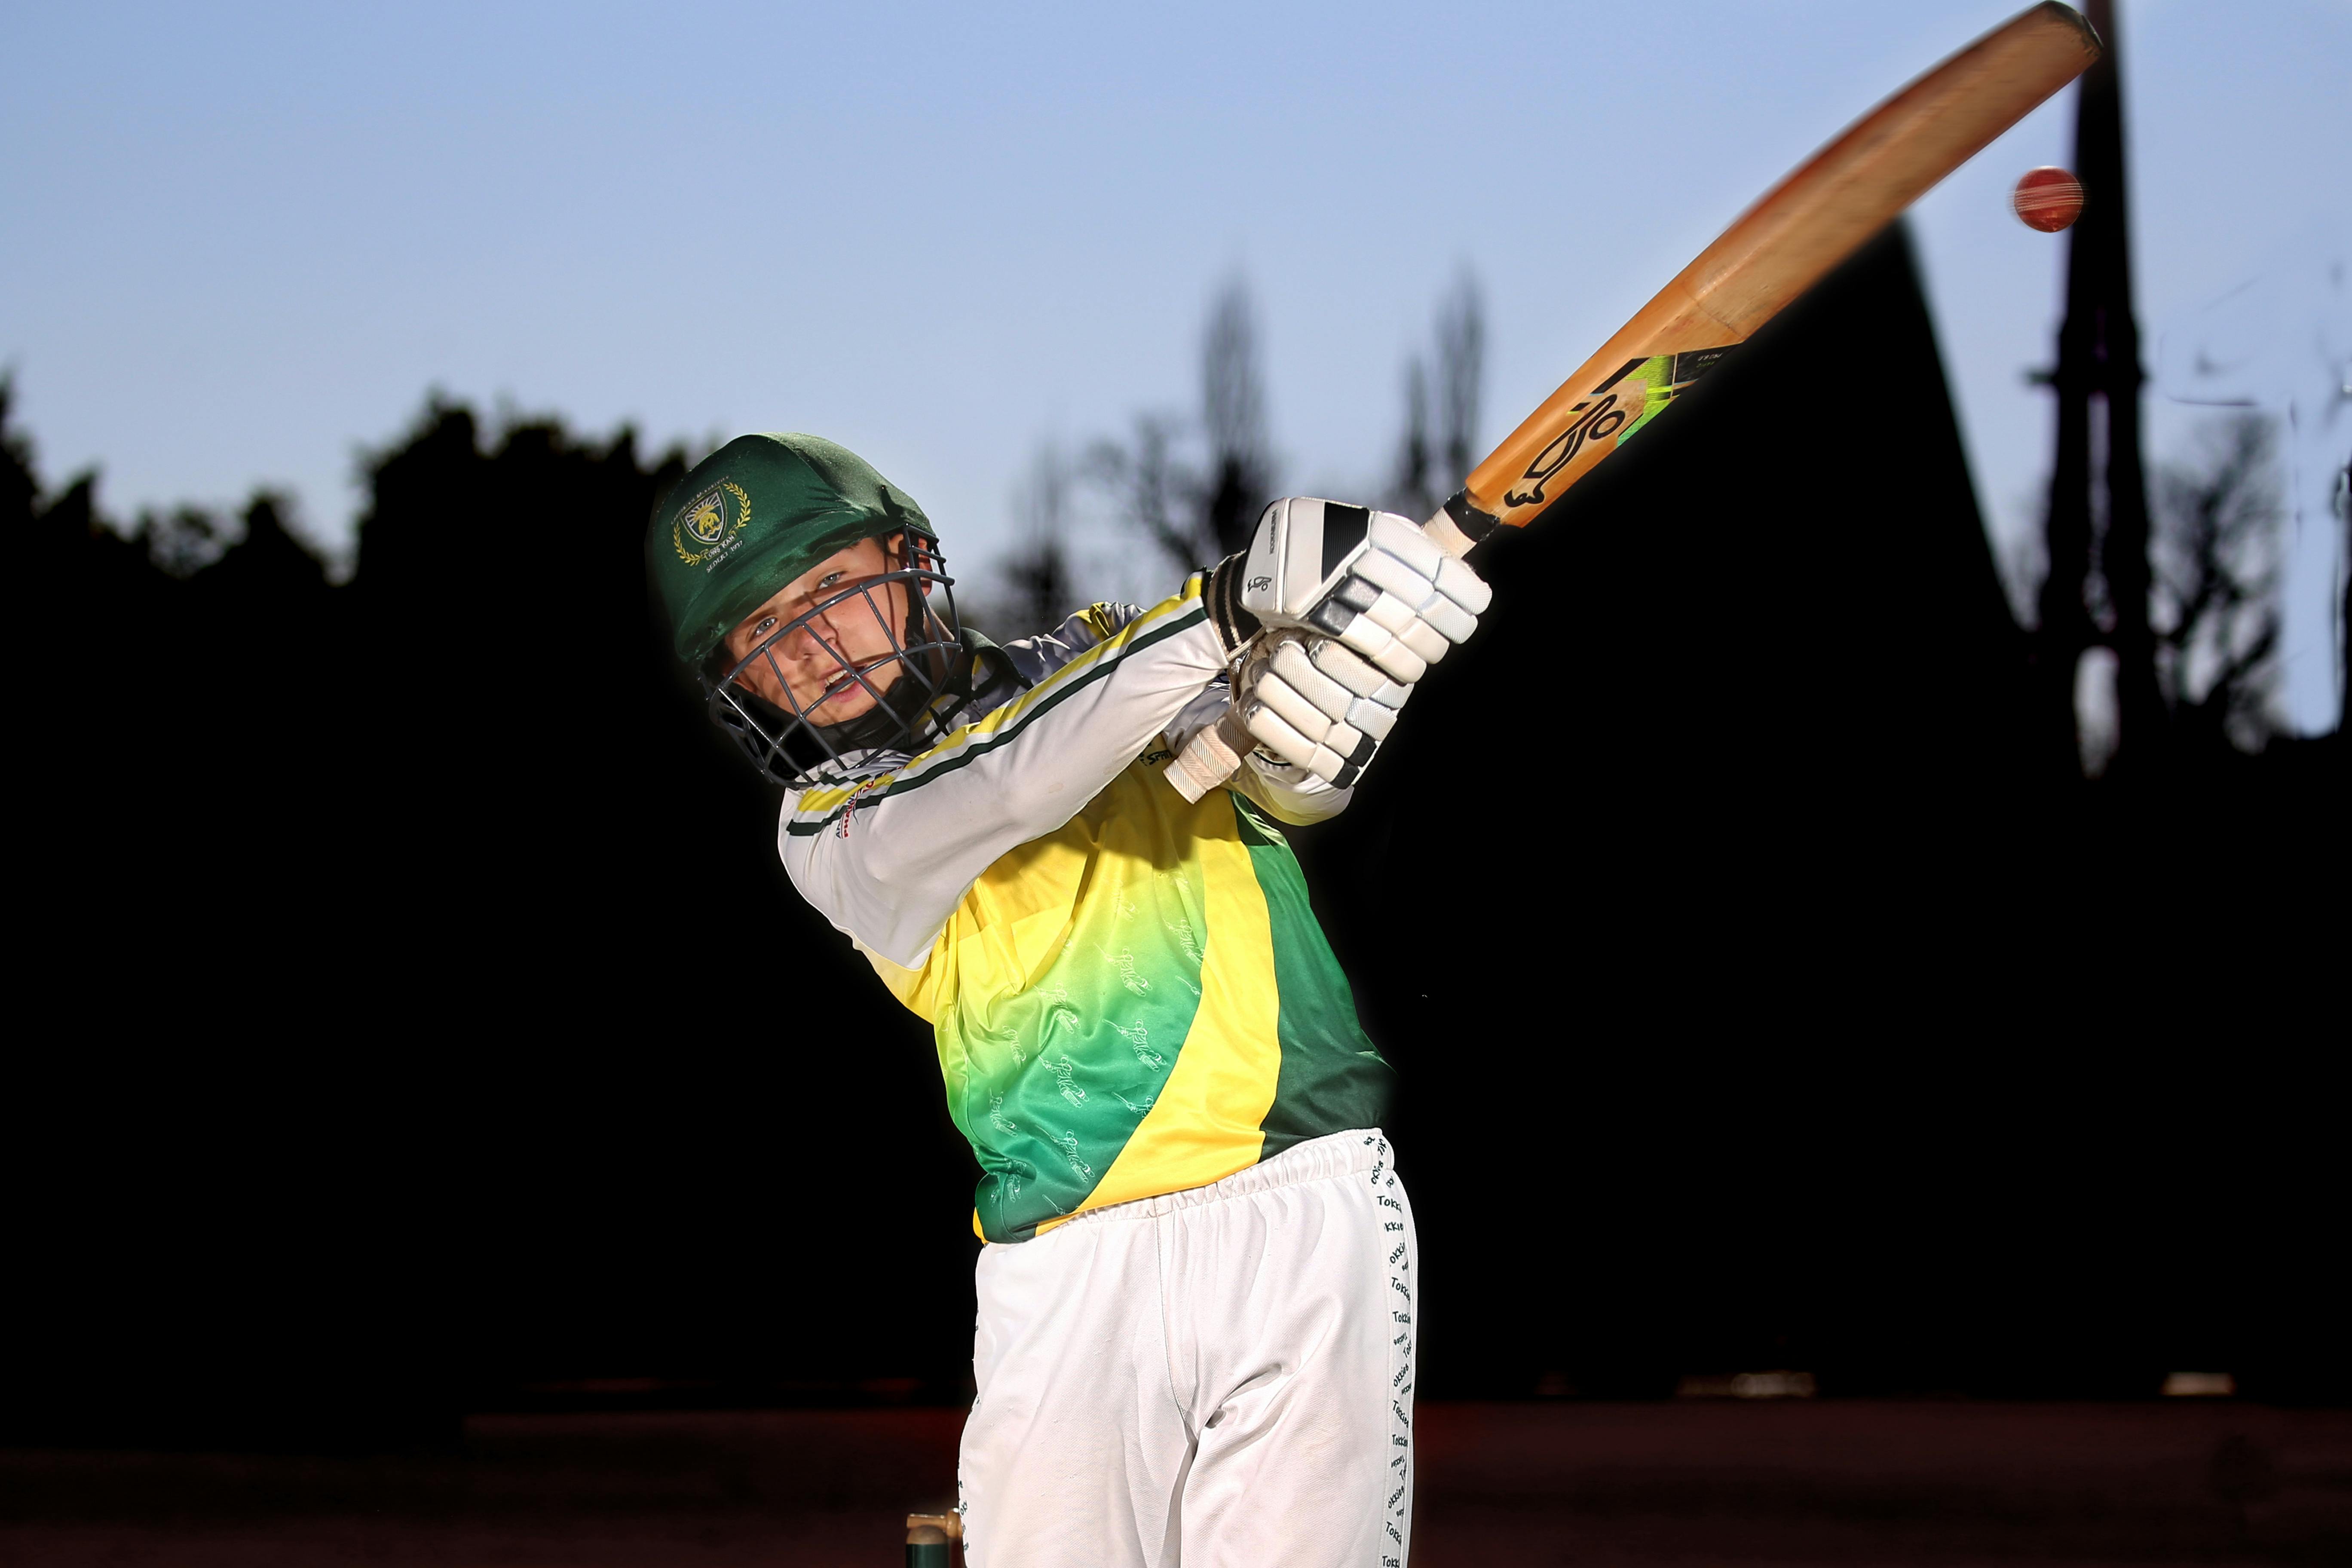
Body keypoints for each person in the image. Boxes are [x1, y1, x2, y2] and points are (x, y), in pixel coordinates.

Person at [647, 432, 1487, 1567]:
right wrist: (1227, 613)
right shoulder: (832, 830)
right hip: (1066, 1265)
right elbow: (1011, 776)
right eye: (765, 633)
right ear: (740, 682)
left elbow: (1274, 780)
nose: (813, 649)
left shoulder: (1104, 662)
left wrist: (1323, 700)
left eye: (836, 589)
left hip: (1300, 1198)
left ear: (908, 561)